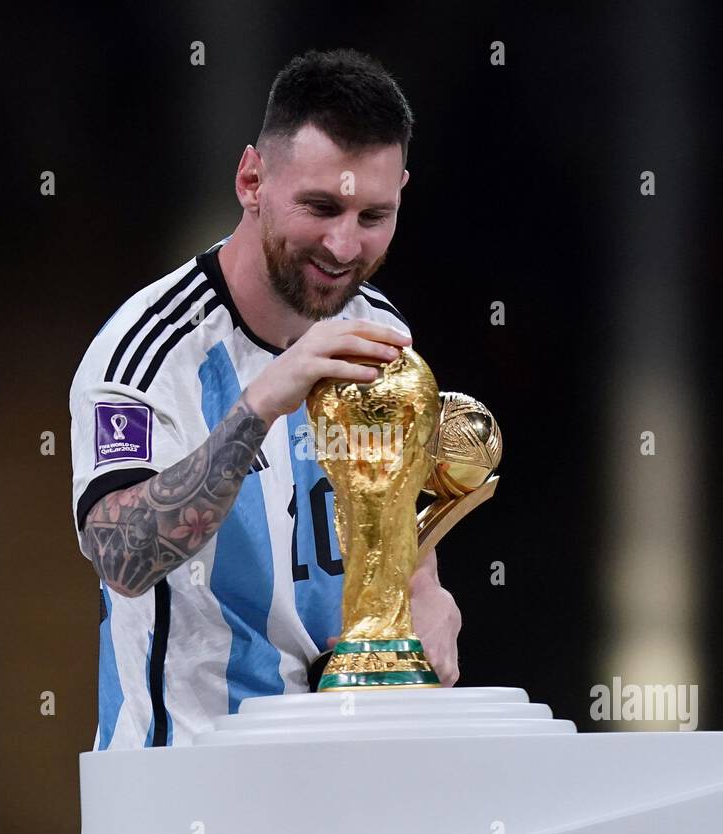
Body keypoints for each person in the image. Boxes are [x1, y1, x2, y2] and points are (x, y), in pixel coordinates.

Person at [68, 48, 461, 754]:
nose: (345, 245)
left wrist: (428, 598)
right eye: (321, 207)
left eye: (375, 214)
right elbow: (121, 560)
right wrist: (258, 408)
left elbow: (399, 528)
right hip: (184, 798)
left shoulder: (383, 333)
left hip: (338, 780)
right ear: (252, 179)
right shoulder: (148, 352)